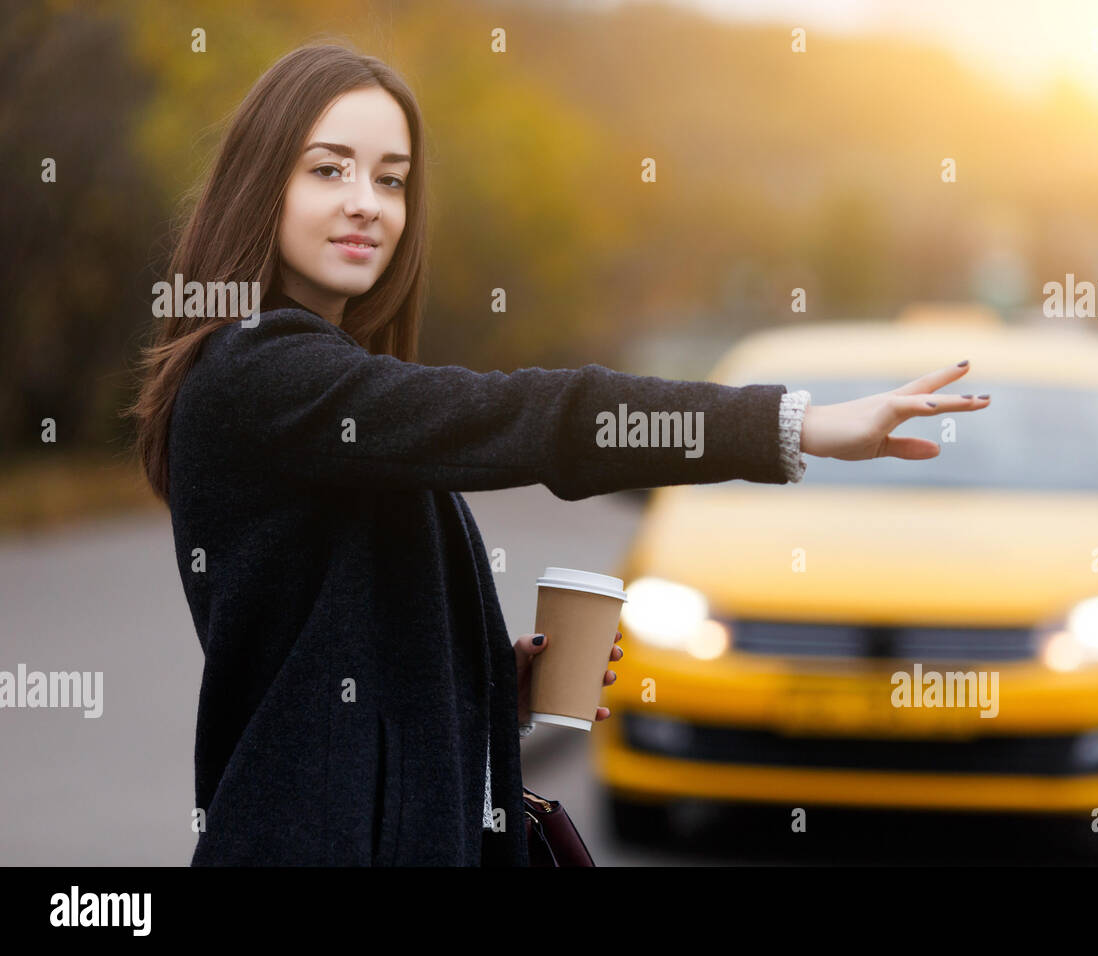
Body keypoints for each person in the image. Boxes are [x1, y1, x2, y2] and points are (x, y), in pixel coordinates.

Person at [126, 44, 990, 866]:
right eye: (329, 169)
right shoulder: (261, 374)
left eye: (392, 180)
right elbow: (546, 415)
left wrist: (488, 682)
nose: (368, 202)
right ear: (258, 182)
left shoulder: (312, 387)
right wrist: (795, 425)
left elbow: (323, 656)